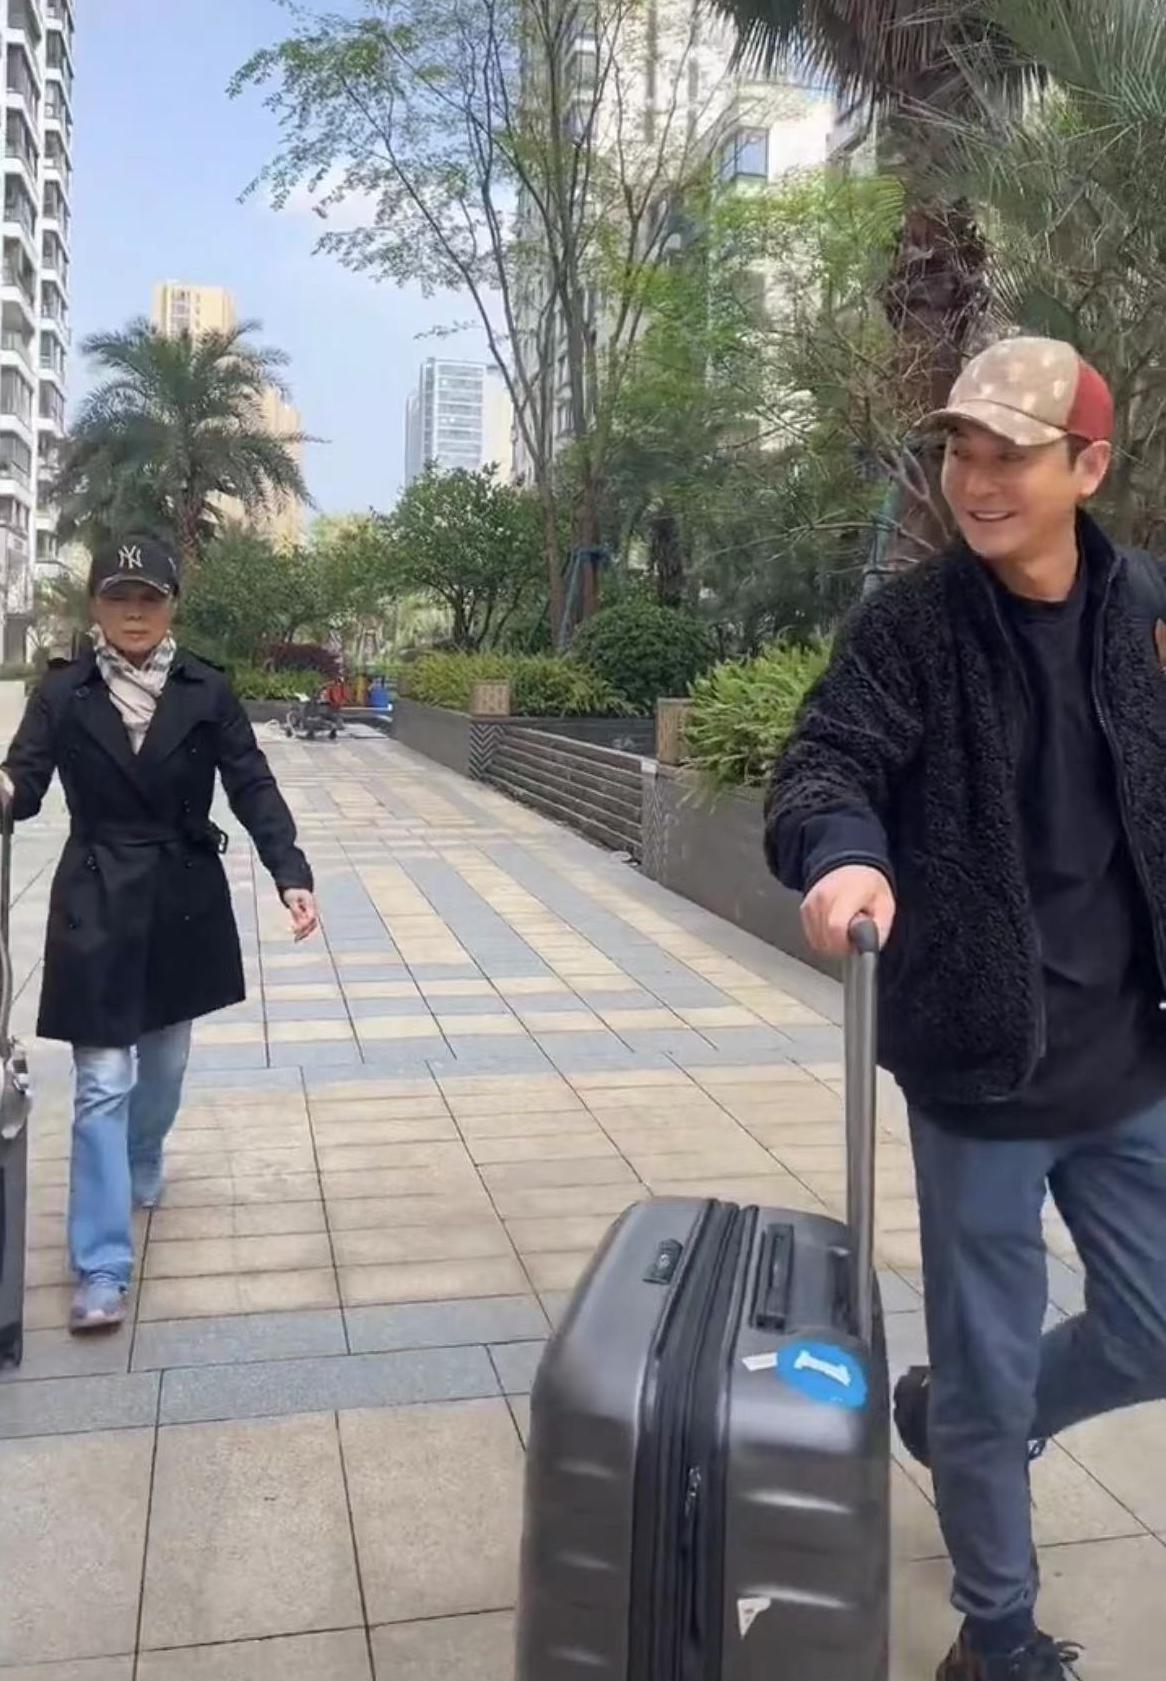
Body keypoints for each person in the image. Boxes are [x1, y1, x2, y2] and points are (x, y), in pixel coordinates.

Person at [766, 338, 1166, 1681]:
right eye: (961, 452)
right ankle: (996, 1633)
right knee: (993, 1369)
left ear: (1088, 467)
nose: (977, 481)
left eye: (1012, 455)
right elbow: (825, 759)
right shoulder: (911, 630)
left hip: (1128, 1054)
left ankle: (949, 1423)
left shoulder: (1144, 615)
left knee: (1153, 1325)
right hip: (979, 1065)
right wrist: (842, 855)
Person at [2, 534, 318, 1334]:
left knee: (165, 1067)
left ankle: (144, 1155)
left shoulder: (206, 689)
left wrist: (292, 873)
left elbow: (251, 784)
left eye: (148, 596)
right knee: (102, 1079)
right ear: (95, 609)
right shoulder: (64, 694)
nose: (133, 611)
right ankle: (101, 1265)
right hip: (97, 899)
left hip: (182, 894)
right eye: (118, 597)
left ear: (171, 603)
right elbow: (25, 783)